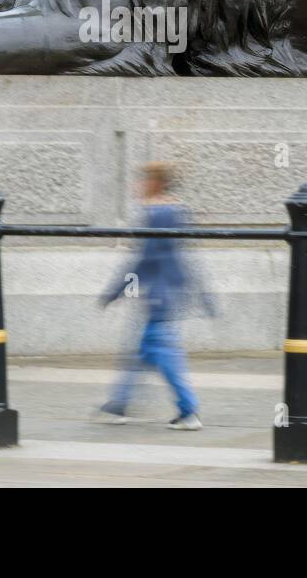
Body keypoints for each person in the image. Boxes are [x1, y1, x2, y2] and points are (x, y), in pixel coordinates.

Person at [95, 161, 213, 430]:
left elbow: (144, 262)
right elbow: (183, 257)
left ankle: (188, 411)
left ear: (157, 183)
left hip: (161, 296)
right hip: (168, 292)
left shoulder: (158, 213)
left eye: (144, 180)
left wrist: (116, 292)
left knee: (164, 355)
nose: (139, 186)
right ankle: (117, 405)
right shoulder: (177, 209)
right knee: (141, 353)